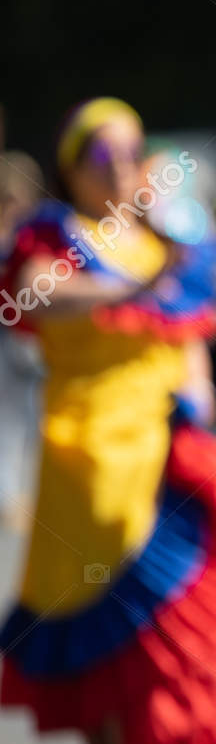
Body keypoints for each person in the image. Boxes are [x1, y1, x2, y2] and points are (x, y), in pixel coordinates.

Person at [0, 98, 216, 744]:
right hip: (91, 439)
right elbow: (36, 294)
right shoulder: (54, 233)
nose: (125, 167)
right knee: (109, 596)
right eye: (107, 156)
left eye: (133, 153)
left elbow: (184, 325)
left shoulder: (158, 238)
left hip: (169, 435)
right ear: (75, 167)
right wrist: (127, 286)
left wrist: (199, 379)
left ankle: (165, 731)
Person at [0, 150, 44, 531]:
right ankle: (9, 497)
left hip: (37, 338)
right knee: (9, 423)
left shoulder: (41, 235)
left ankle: (36, 493)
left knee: (41, 421)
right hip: (8, 337)